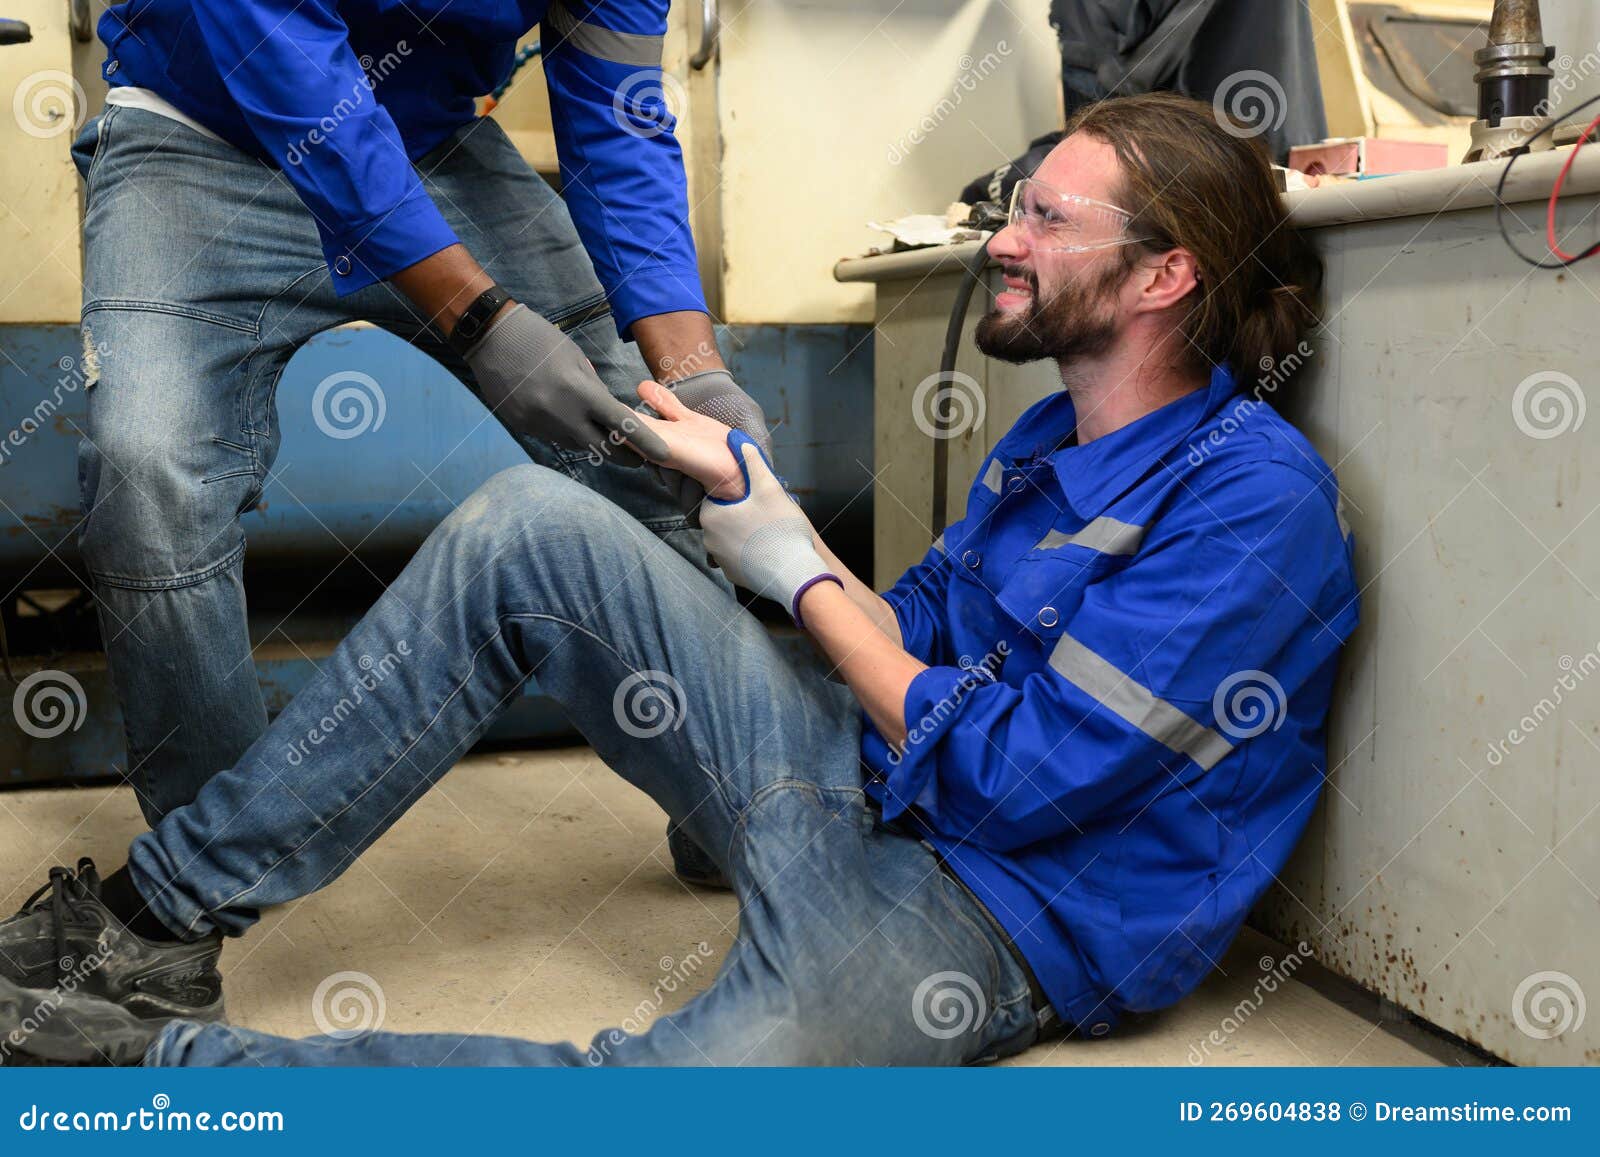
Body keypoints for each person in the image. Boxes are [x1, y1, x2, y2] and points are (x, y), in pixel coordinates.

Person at [0, 92, 1358, 1067]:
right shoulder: (1055, 432)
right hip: (863, 774)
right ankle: (156, 913)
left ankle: (141, 1076)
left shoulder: (1250, 505)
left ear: (1165, 272)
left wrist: (805, 585)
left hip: (994, 917)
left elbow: (1014, 773)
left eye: (1044, 219)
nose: (1001, 239)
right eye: (1012, 208)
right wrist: (764, 521)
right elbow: (918, 633)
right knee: (533, 523)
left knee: (663, 1104)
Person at [72, 0, 767, 836]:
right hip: (199, 132)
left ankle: (747, 811)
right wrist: (478, 318)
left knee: (653, 448)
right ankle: (200, 869)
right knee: (147, 471)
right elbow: (284, 62)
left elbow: (616, 113)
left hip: (425, 142)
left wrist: (695, 374)